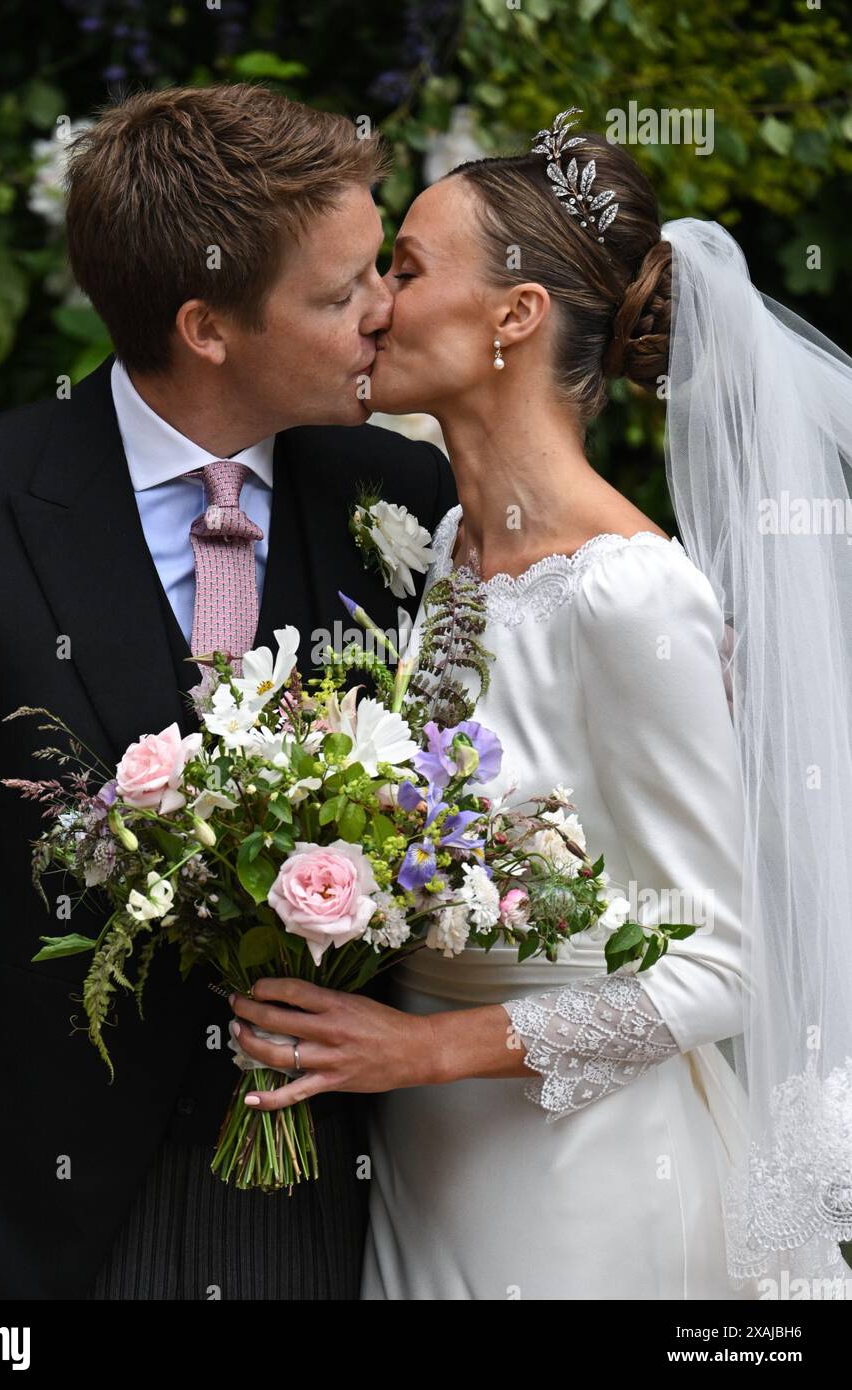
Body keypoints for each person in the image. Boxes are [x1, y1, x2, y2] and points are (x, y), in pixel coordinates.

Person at [228, 108, 852, 1299]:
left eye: (403, 269)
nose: (374, 304)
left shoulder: (630, 593)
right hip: (423, 1163)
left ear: (514, 316)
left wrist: (421, 1050)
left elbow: (721, 965)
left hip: (582, 1186)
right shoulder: (450, 543)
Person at [0, 83, 456, 1300]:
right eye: (340, 289)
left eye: (380, 269)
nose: (383, 312)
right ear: (207, 326)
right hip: (22, 1220)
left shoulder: (391, 498)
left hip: (326, 1204)